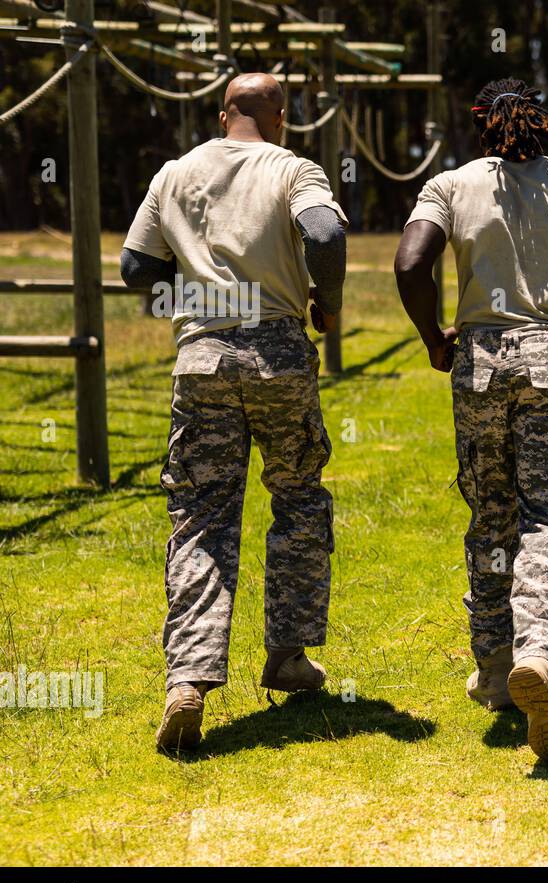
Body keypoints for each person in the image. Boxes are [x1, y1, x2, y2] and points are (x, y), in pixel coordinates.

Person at [394, 78, 548, 763]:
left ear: (481, 124)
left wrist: (435, 338)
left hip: (479, 364)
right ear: (541, 122)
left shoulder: (451, 185)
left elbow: (410, 262)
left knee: (490, 515)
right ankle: (542, 656)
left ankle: (495, 669)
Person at [120, 73, 348, 752]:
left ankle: (188, 677)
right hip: (278, 355)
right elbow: (326, 234)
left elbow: (135, 266)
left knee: (200, 516)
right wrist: (325, 303)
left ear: (224, 113)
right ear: (282, 115)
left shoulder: (175, 171)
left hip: (202, 359)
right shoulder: (293, 167)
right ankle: (287, 657)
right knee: (299, 499)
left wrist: (188, 295)